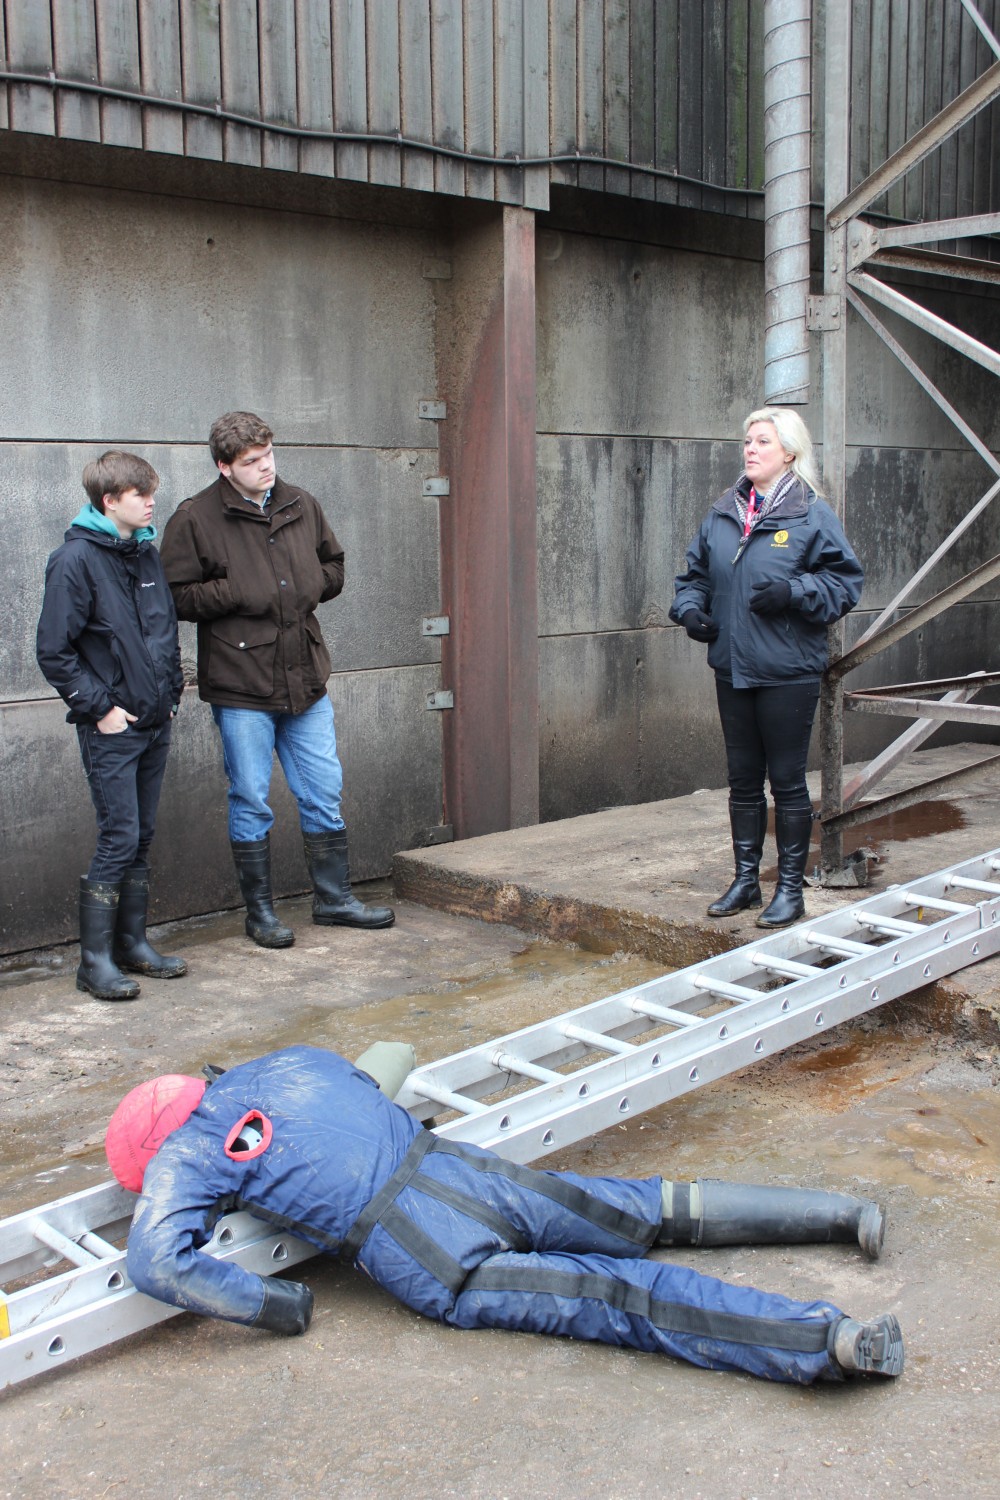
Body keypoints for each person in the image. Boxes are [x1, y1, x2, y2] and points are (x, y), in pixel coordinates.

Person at [106, 1043, 904, 1385]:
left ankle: (829, 1344)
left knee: (618, 1299)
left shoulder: (183, 1159)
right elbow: (373, 1070)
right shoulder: (282, 1065)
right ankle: (845, 1214)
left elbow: (156, 1262)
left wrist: (279, 1306)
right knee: (646, 1208)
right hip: (469, 1174)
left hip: (421, 1248)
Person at [159, 412, 393, 949]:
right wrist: (235, 591)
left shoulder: (300, 502)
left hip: (305, 675)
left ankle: (333, 900)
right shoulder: (195, 517)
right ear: (224, 467)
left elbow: (333, 564)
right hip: (241, 682)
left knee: (323, 789)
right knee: (250, 795)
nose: (265, 467)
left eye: (268, 456)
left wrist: (311, 582)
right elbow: (172, 595)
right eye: (251, 462)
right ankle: (260, 913)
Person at [671, 408, 864, 928]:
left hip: (787, 672)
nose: (750, 449)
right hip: (732, 668)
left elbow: (845, 584)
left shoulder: (811, 514)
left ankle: (791, 892)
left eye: (762, 441)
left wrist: (793, 591)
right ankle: (746, 882)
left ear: (790, 453)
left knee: (788, 783)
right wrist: (689, 610)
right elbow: (692, 576)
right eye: (748, 441)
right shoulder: (723, 513)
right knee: (742, 782)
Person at [36, 452, 187, 1001]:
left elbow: (162, 632)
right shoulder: (74, 560)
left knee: (141, 837)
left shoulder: (143, 553)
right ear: (110, 501)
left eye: (151, 492)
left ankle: (132, 945)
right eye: (140, 494)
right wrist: (101, 709)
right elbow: (54, 652)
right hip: (112, 728)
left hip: (154, 720)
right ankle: (94, 962)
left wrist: (170, 693)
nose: (151, 502)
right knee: (119, 836)